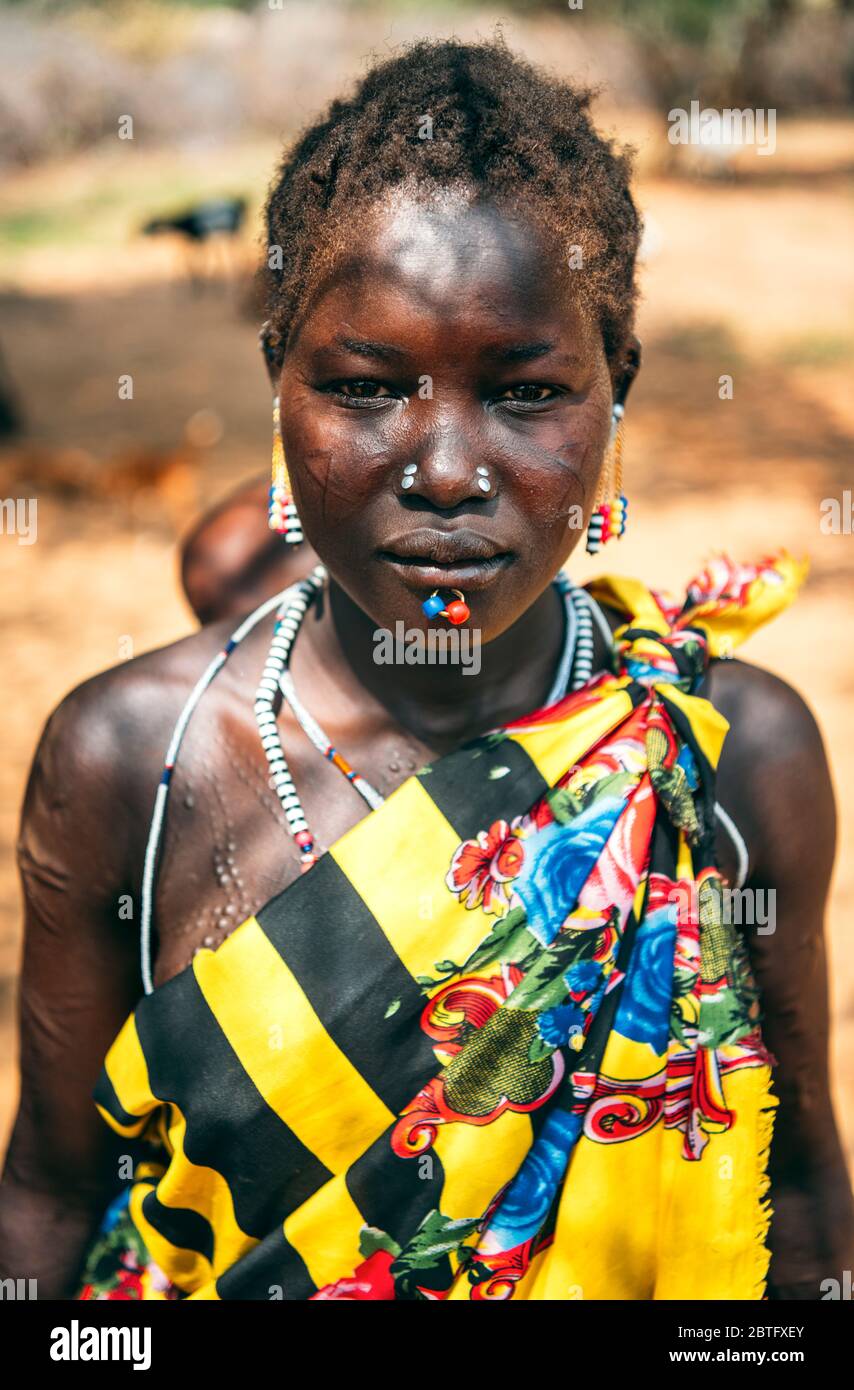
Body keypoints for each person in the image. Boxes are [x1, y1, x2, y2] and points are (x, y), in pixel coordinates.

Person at [1, 37, 851, 1302]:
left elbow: (795, 1197)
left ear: (614, 390)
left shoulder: (725, 758)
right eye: (363, 386)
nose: (446, 470)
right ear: (277, 387)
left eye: (525, 392)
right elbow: (52, 1191)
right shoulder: (138, 759)